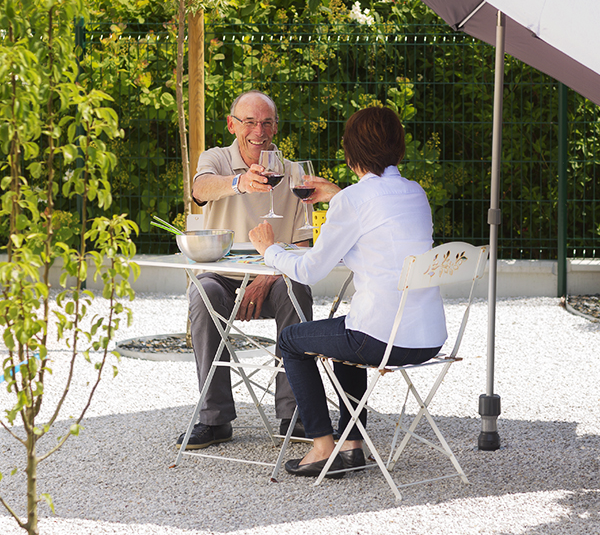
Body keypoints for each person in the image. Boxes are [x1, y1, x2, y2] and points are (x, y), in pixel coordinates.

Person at [248, 106, 441, 478]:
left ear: (349, 151)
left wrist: (268, 249)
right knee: (341, 331)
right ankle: (352, 445)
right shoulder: (415, 193)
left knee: (292, 340)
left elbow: (311, 270)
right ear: (399, 148)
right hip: (427, 337)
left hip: (381, 339)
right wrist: (339, 196)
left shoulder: (353, 201)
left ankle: (322, 447)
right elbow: (376, 236)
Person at [177, 90, 313, 450]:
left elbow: (301, 247)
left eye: (267, 122)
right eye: (250, 122)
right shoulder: (216, 159)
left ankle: (293, 414)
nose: (259, 130)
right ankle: (214, 419)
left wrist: (267, 276)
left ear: (276, 128)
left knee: (297, 289)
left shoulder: (293, 173)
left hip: (274, 277)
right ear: (232, 125)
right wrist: (238, 183)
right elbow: (200, 188)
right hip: (222, 276)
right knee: (203, 292)